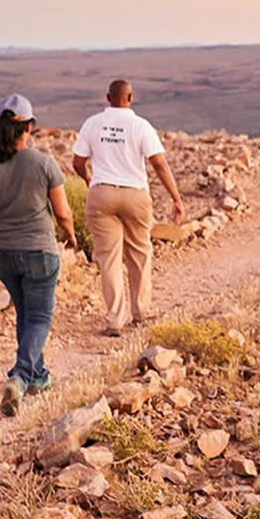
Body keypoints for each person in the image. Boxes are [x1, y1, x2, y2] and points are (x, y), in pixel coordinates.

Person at [0, 93, 76, 416]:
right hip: (39, 250)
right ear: (30, 127)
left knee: (26, 314)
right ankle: (19, 376)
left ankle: (37, 376)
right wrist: (70, 235)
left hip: (4, 253)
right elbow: (63, 212)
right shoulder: (44, 163)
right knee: (40, 317)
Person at [72, 79, 185, 334]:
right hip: (135, 195)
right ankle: (141, 312)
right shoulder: (141, 126)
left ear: (108, 97)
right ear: (130, 98)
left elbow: (78, 162)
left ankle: (114, 320)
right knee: (140, 253)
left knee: (109, 258)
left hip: (101, 195)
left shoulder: (92, 123)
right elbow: (159, 164)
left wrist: (90, 180)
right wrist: (175, 197)